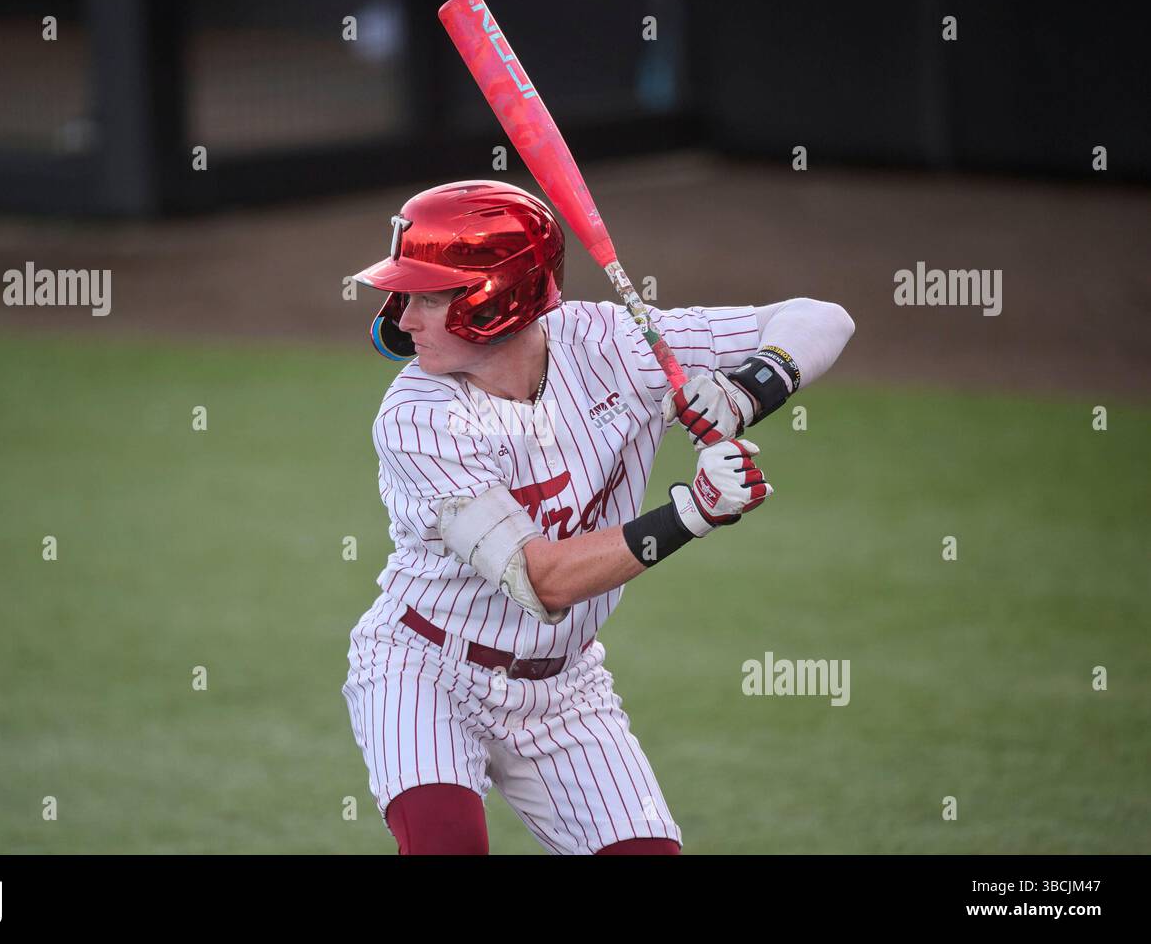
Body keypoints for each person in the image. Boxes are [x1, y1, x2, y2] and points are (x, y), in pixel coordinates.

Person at [341, 179, 855, 854]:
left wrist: (746, 391)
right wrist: (690, 513)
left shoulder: (610, 341)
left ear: (494, 301)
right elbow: (539, 579)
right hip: (425, 669)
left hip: (564, 689)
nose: (402, 319)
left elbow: (821, 318)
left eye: (427, 296)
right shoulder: (416, 419)